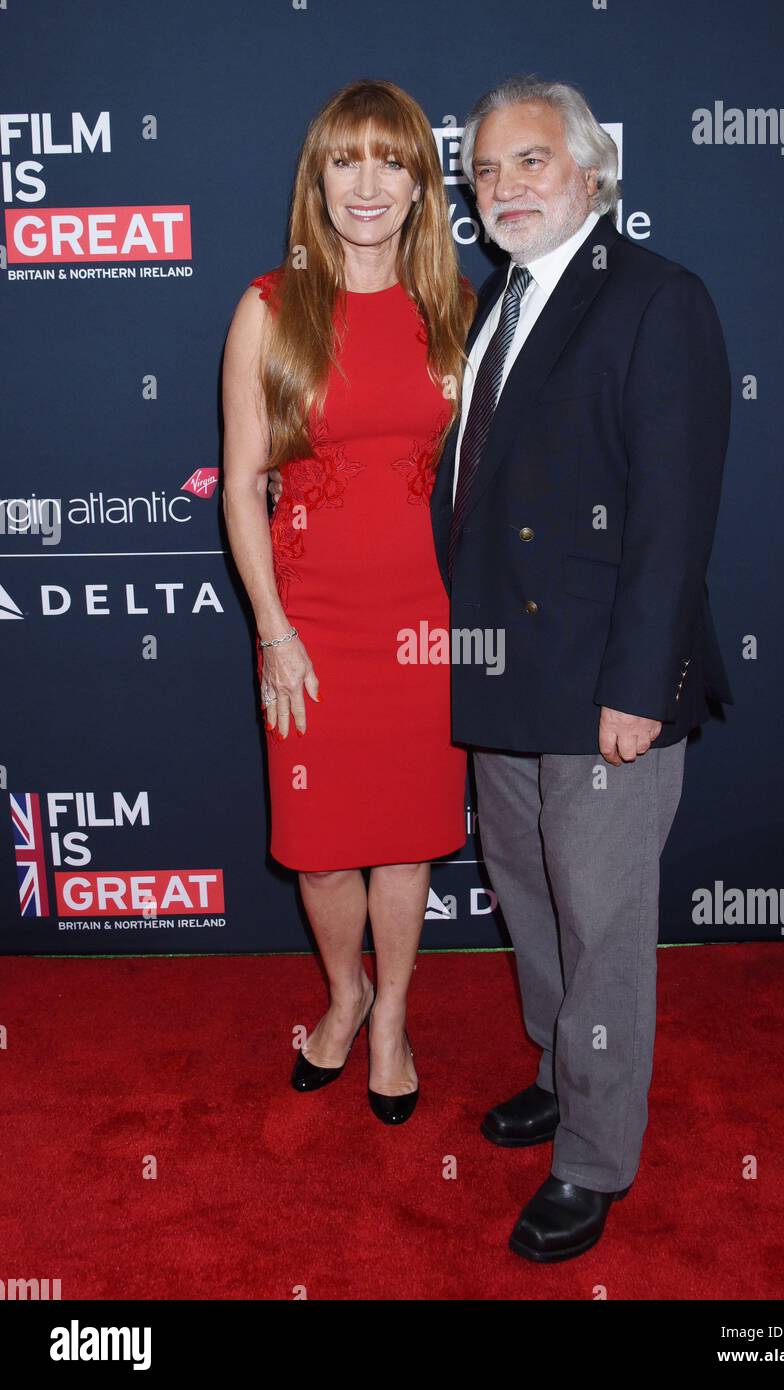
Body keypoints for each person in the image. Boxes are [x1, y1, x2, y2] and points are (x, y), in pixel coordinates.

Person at [429, 77, 733, 1261]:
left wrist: (636, 690)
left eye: (529, 163)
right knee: (533, 903)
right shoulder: (490, 306)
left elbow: (673, 516)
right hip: (501, 674)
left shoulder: (658, 301)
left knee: (603, 925)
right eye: (487, 171)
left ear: (592, 173)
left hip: (606, 682)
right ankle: (561, 1072)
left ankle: (595, 1160)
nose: (503, 188)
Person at [222, 78, 474, 1124]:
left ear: (420, 184)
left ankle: (391, 1020)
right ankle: (342, 992)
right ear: (315, 180)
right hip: (309, 624)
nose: (366, 183)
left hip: (423, 624)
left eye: (391, 160)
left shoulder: (457, 312)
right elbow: (240, 483)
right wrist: (273, 631)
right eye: (344, 160)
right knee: (320, 846)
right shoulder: (270, 308)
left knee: (407, 838)